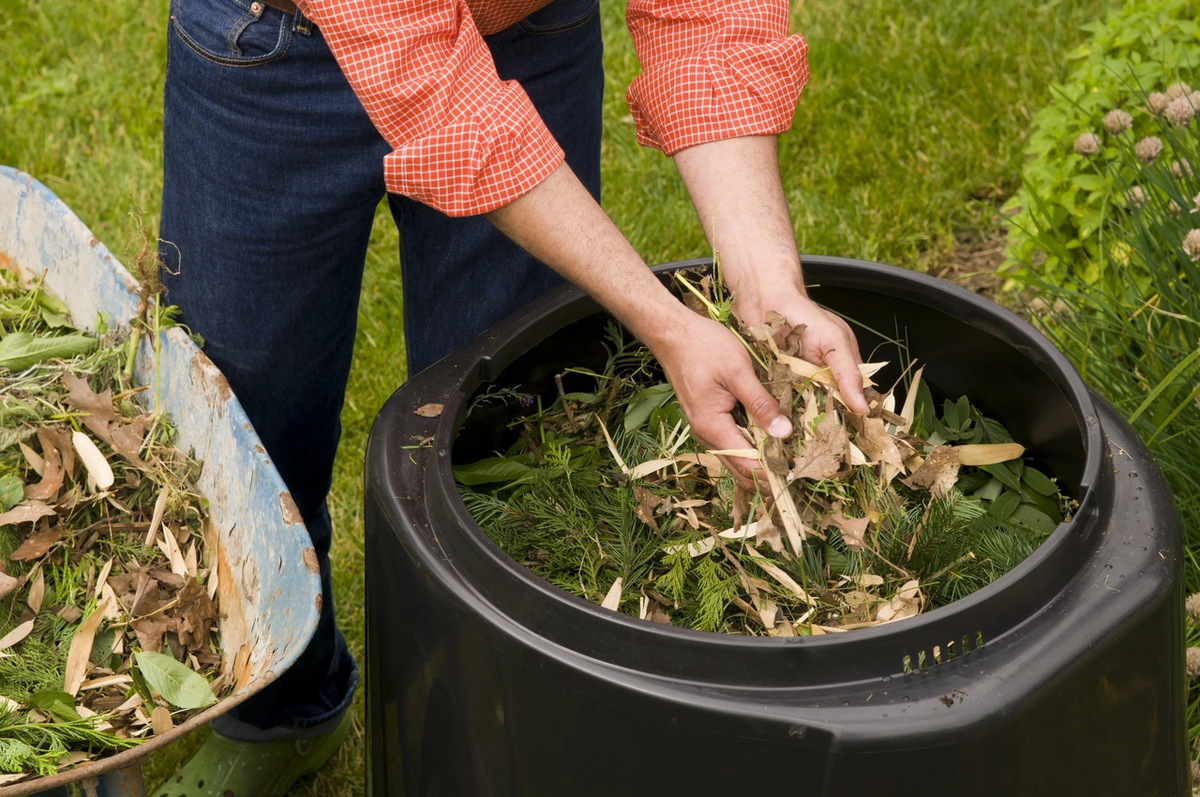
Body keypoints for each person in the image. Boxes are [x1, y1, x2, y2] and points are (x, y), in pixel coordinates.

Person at [152, 0, 868, 794]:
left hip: (524, 31)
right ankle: (281, 709)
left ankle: (492, 720)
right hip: (273, 60)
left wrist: (768, 294)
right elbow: (434, 89)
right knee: (247, 437)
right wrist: (665, 323)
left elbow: (707, 14)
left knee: (506, 436)